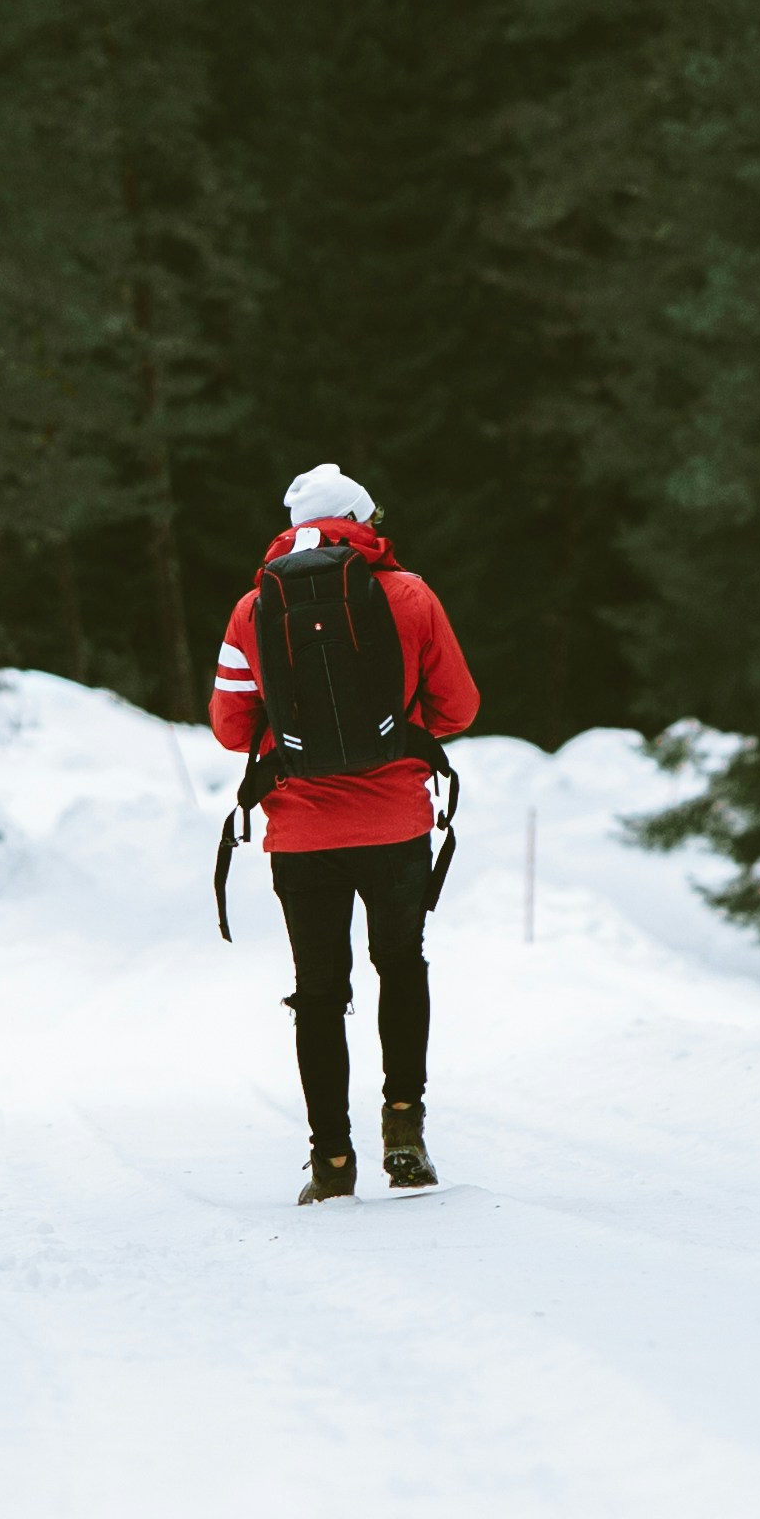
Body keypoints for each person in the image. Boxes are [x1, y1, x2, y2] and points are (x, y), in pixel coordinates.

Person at [209, 463, 479, 1204]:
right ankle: (404, 1128)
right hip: (395, 823)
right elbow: (458, 708)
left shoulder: (250, 608)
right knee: (400, 961)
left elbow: (232, 727)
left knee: (319, 994)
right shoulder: (411, 595)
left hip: (300, 832)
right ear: (364, 523)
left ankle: (330, 1162)